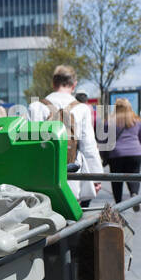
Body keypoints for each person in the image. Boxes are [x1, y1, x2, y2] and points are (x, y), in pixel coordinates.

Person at [28, 66, 104, 207]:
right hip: (72, 177)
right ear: (74, 84)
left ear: (53, 83)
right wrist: (96, 176)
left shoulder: (36, 107)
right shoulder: (81, 109)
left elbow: (30, 148)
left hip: (43, 178)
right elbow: (89, 146)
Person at [106, 98, 141, 207]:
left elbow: (104, 141)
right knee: (134, 176)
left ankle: (119, 203)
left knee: (116, 180)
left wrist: (104, 156)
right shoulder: (136, 120)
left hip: (116, 154)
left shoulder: (109, 122)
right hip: (135, 152)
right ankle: (134, 194)